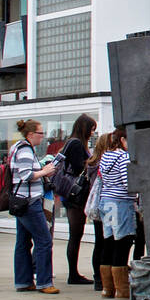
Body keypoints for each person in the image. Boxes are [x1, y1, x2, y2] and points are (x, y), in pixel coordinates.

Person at [10, 120, 61, 294]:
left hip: (21, 201)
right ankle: (44, 282)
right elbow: (26, 175)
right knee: (44, 240)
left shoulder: (17, 147)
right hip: (30, 201)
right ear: (30, 134)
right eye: (40, 133)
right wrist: (45, 171)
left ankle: (23, 281)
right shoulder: (25, 149)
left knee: (23, 242)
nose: (42, 137)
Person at [56, 114, 97, 285]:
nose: (93, 133)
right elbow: (80, 167)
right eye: (92, 129)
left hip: (72, 194)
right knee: (76, 233)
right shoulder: (76, 144)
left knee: (76, 233)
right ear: (85, 128)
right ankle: (73, 274)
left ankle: (73, 273)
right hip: (75, 195)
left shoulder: (73, 142)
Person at [98, 127, 136, 300]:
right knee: (123, 241)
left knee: (109, 241)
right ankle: (122, 289)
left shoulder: (106, 155)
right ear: (122, 140)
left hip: (106, 201)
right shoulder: (123, 157)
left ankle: (107, 288)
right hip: (121, 202)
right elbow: (128, 182)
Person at [86, 133, 113, 295]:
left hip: (96, 207)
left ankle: (99, 278)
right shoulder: (103, 163)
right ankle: (102, 279)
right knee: (106, 242)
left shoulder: (92, 163)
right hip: (106, 206)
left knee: (99, 242)